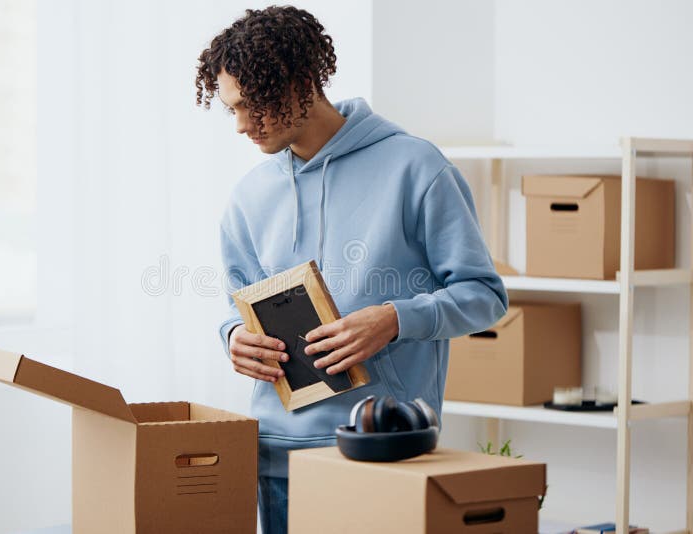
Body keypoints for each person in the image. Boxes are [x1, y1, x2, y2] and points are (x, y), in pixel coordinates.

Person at [196, 6, 507, 534]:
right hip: (278, 455)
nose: (244, 125)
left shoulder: (416, 167)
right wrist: (232, 336)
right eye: (233, 111)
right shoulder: (250, 196)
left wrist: (393, 318)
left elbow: (484, 295)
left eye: (254, 105)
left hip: (382, 449)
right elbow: (237, 304)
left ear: (299, 84)